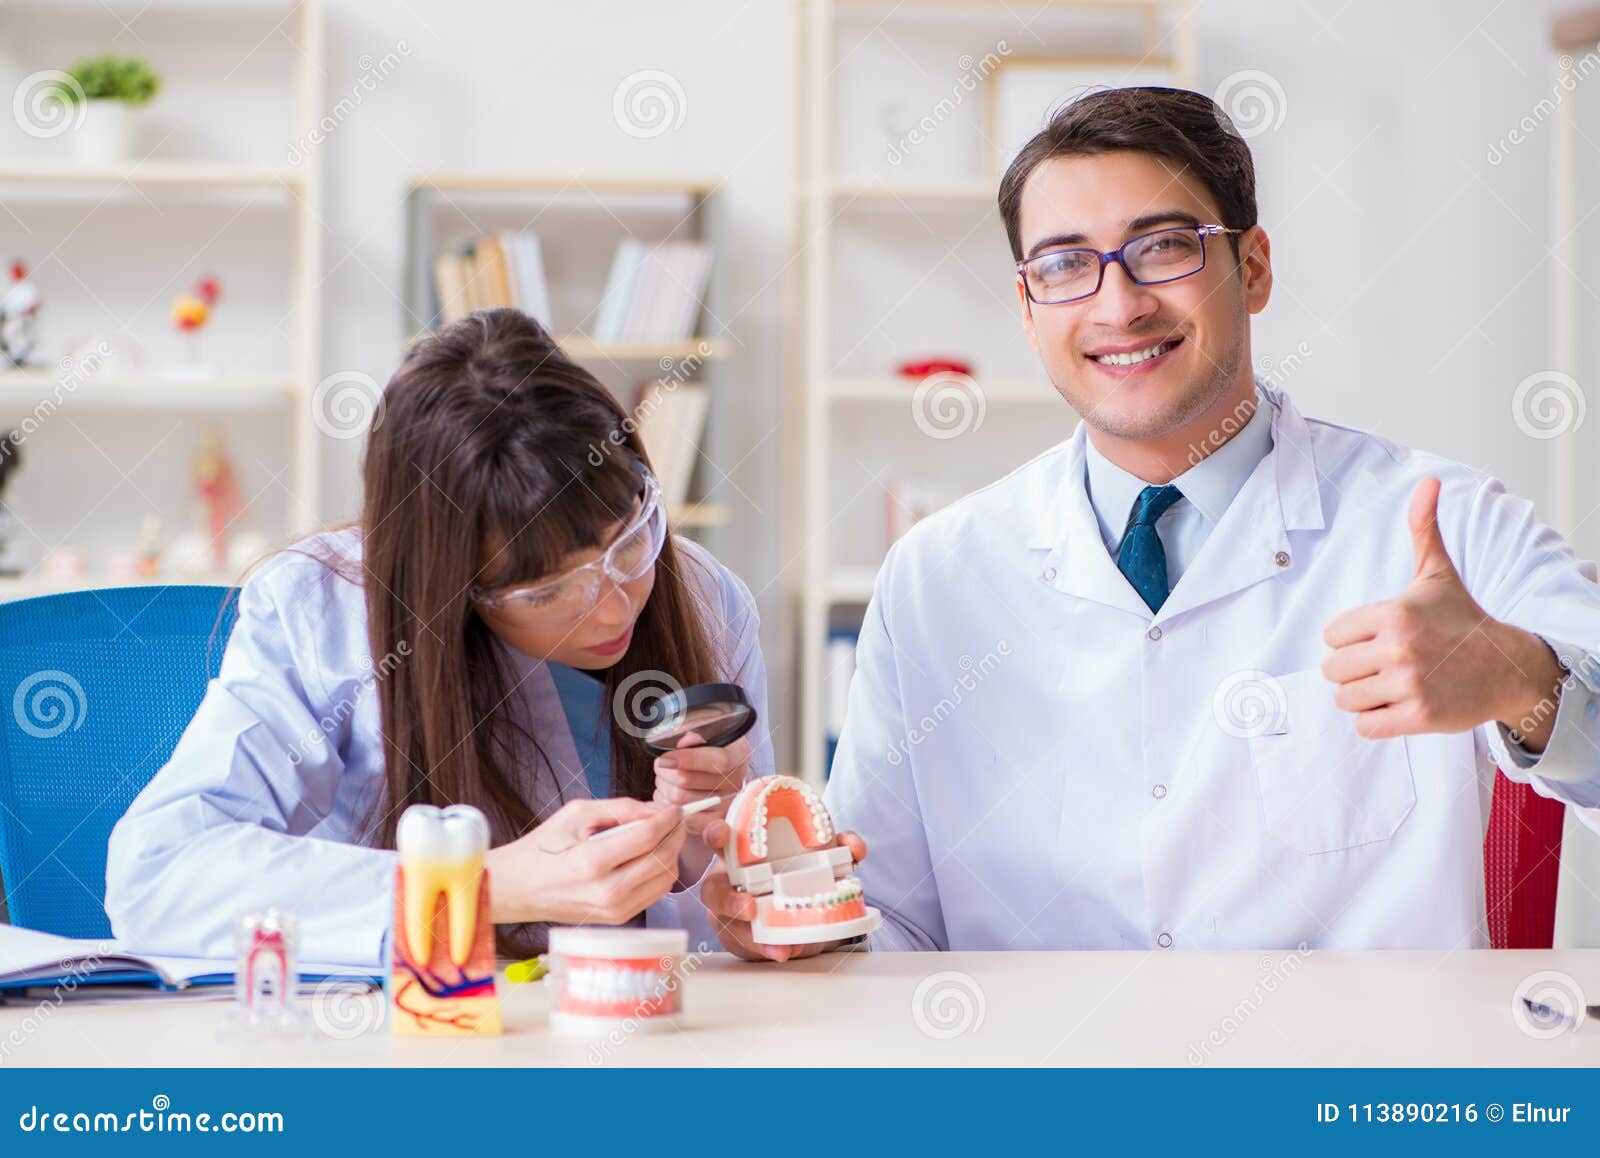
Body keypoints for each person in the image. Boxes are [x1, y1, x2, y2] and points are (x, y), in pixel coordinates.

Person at [718, 86, 1600, 954]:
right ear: (1027, 309)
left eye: (1165, 247)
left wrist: (1525, 684)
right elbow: (893, 922)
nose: (1119, 304)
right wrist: (801, 928)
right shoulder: (934, 576)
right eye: (1064, 265)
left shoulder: (1443, 524)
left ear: (1252, 269)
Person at [106, 309, 773, 964]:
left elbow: (735, 908)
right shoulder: (322, 613)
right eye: (547, 592)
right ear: (447, 587)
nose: (610, 608)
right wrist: (477, 887)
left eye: (627, 543)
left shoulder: (710, 599)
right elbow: (159, 877)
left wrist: (729, 871)